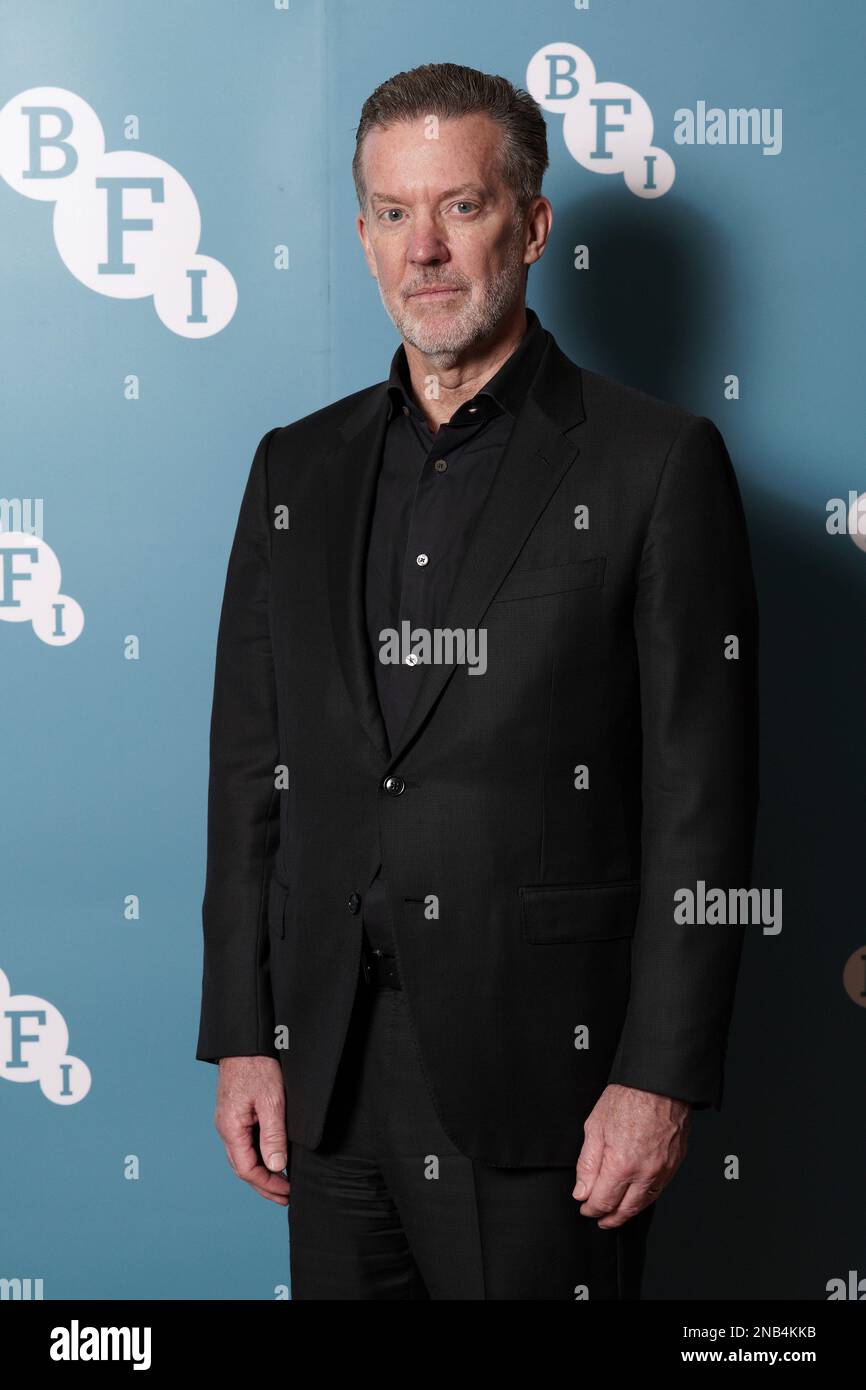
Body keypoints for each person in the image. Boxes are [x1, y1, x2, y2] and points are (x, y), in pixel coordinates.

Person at [196, 62, 759, 1300]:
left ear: (532, 224)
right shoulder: (295, 467)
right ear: (360, 236)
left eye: (460, 207)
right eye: (393, 214)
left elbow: (699, 805)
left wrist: (656, 1075)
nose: (425, 250)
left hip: (545, 1084)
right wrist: (243, 1033)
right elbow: (251, 767)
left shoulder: (654, 464)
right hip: (326, 1070)